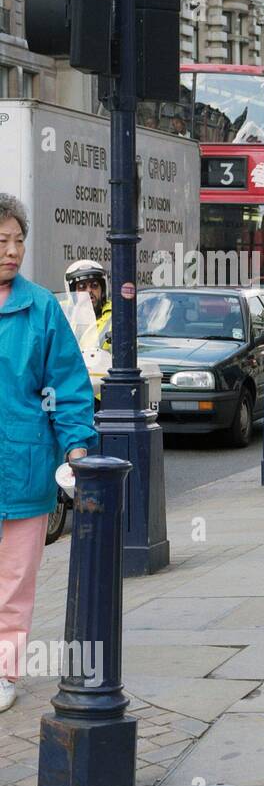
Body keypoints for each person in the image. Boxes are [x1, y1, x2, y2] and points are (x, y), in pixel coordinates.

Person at [0, 194, 97, 713]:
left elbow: (68, 385)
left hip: (23, 465)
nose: (12, 251)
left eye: (18, 241)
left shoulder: (41, 309)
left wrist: (76, 444)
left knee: (15, 579)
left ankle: (4, 670)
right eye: (2, 241)